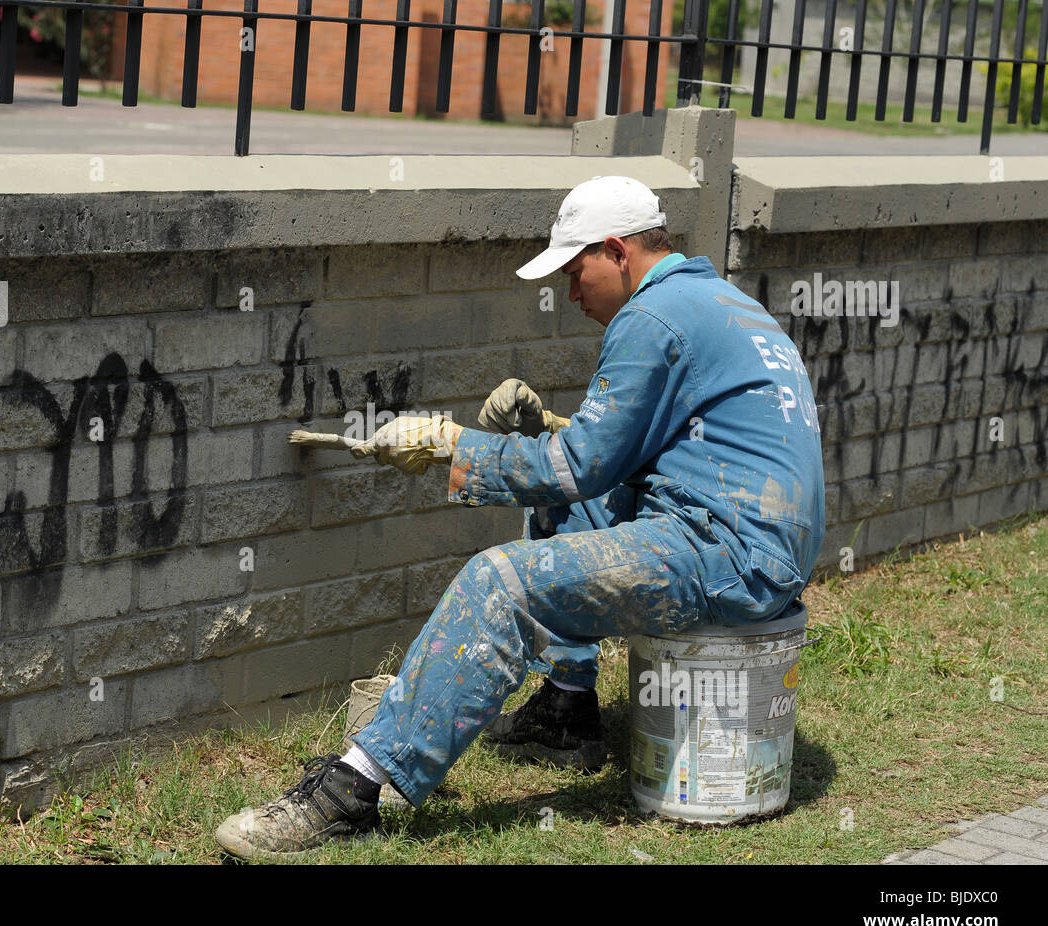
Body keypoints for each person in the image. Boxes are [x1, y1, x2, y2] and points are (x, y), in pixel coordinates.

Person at [214, 175, 826, 860]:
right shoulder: (718, 304)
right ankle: (566, 713)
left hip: (723, 551)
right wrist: (543, 430)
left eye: (575, 271)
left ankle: (352, 789)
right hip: (756, 539)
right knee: (561, 499)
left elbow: (580, 463)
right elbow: (650, 454)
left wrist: (455, 446)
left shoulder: (649, 319)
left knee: (500, 582)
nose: (571, 293)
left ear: (618, 252)